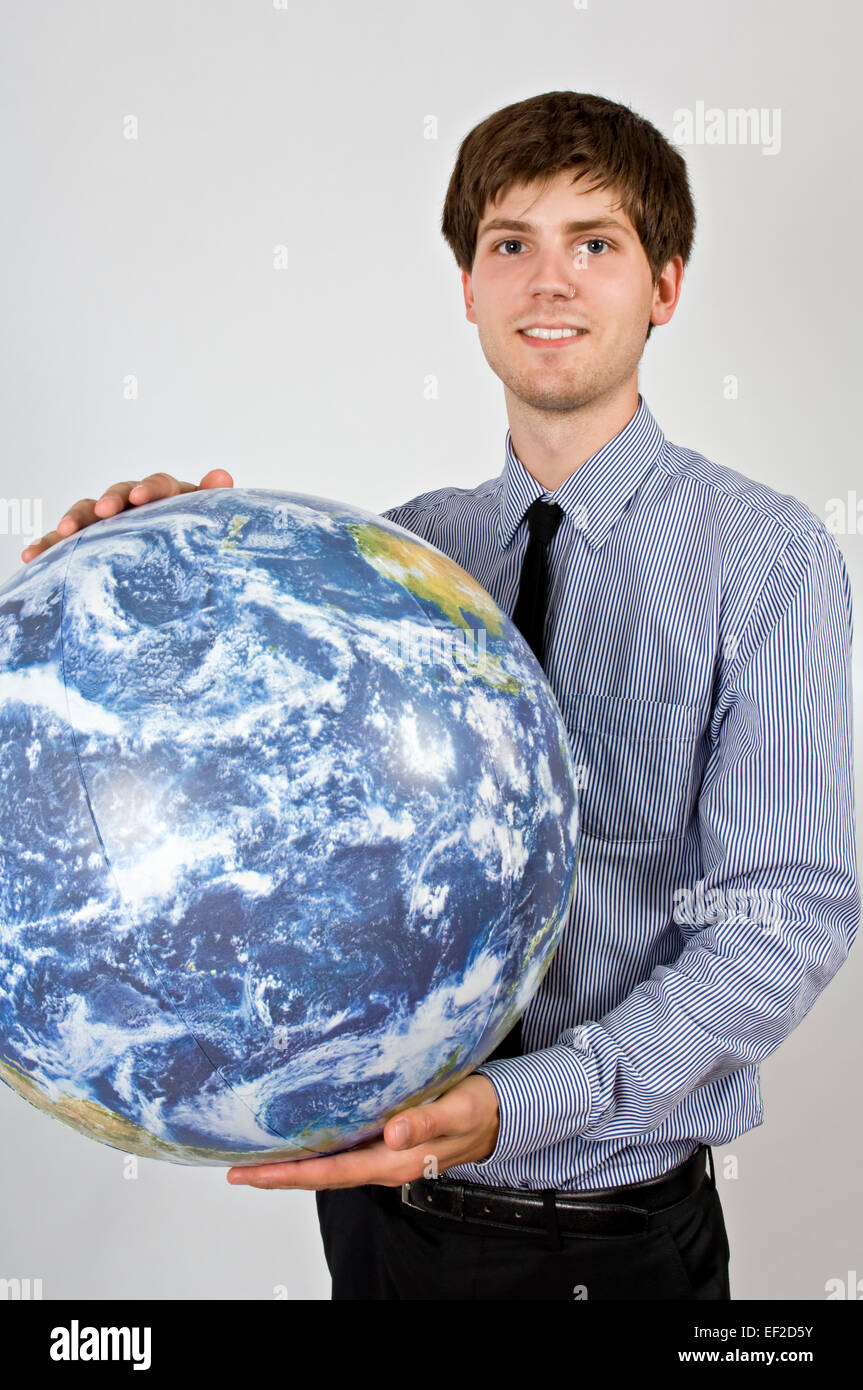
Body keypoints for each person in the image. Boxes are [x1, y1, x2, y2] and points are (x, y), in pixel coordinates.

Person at [22, 91, 859, 1302]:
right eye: (509, 244)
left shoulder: (766, 559)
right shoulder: (390, 561)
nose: (547, 282)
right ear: (467, 286)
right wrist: (154, 575)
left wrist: (515, 1107)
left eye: (595, 243)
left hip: (604, 1237)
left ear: (663, 287)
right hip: (385, 1225)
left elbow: (779, 922)